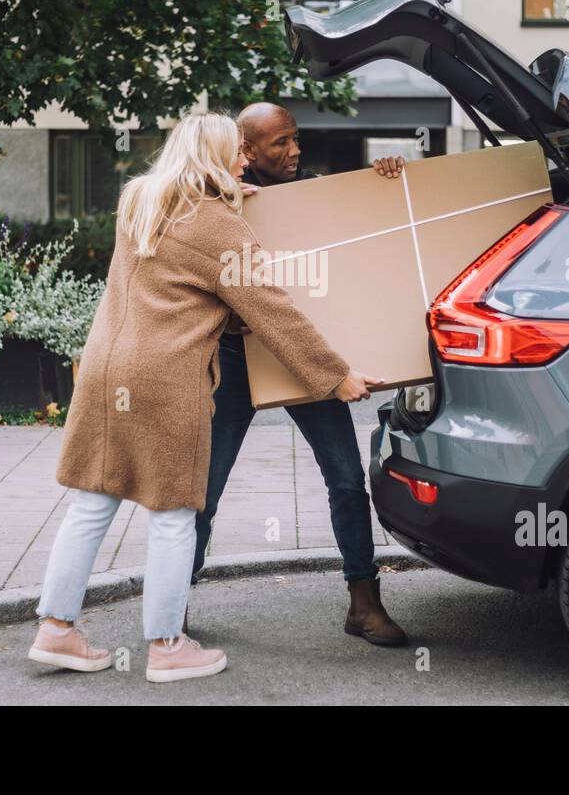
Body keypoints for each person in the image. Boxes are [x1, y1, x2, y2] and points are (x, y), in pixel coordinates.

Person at [28, 111, 379, 683]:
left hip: (105, 369)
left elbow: (183, 243)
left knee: (91, 502)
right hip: (166, 378)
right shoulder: (218, 226)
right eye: (235, 153)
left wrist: (226, 197)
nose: (245, 161)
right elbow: (271, 310)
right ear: (215, 157)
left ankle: (56, 629)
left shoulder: (140, 199)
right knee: (174, 514)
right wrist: (333, 376)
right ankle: (167, 647)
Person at [191, 102, 409, 647]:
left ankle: (364, 602)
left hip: (303, 353)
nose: (294, 151)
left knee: (344, 476)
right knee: (203, 486)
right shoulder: (214, 201)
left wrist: (387, 180)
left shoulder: (315, 194)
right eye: (279, 143)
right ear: (246, 150)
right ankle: (173, 605)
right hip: (238, 356)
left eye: (295, 139)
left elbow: (374, 234)